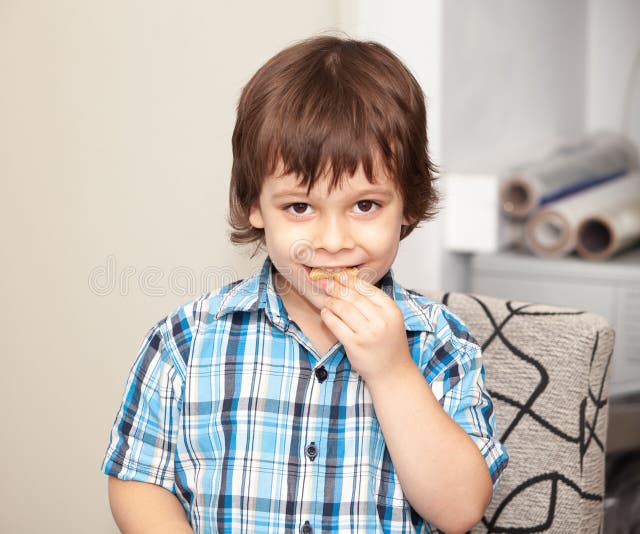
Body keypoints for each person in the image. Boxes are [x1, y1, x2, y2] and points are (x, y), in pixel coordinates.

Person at [102, 35, 508, 533]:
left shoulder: (438, 343)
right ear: (254, 205)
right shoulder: (185, 341)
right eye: (300, 207)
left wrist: (393, 373)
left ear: (410, 202)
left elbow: (460, 510)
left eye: (365, 205)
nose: (332, 242)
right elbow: (138, 479)